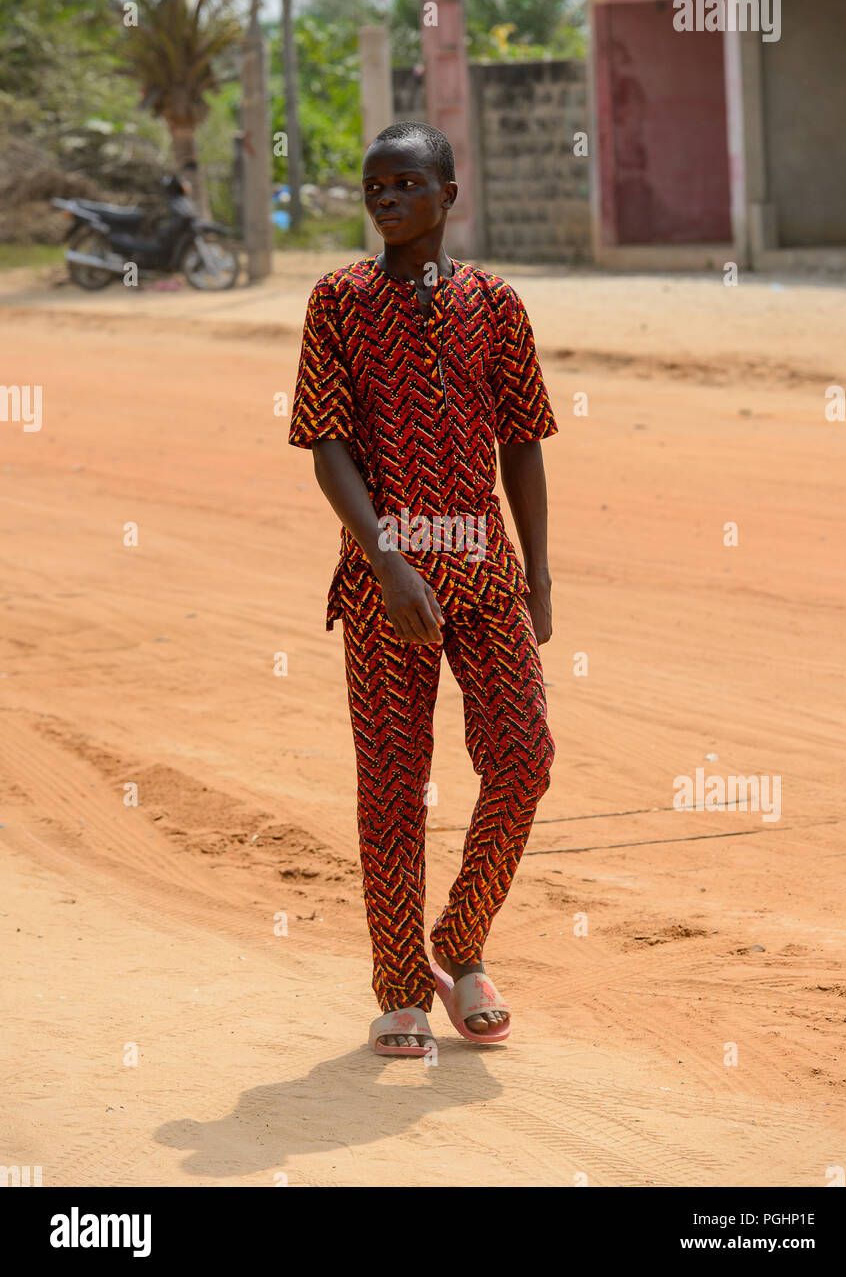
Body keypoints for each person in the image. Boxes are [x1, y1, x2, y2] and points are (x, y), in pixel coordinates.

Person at [289, 121, 557, 1057]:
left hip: (485, 574)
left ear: (449, 195)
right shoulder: (338, 301)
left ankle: (461, 943)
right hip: (382, 586)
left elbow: (521, 440)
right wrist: (387, 562)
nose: (387, 199)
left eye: (407, 183)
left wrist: (542, 577)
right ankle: (401, 985)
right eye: (374, 187)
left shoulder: (496, 302)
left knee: (523, 760)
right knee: (394, 790)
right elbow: (326, 446)